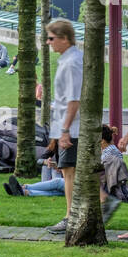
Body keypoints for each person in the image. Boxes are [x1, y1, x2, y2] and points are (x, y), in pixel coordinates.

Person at [45, 19, 82, 235]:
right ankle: (103, 201)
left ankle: (70, 216)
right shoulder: (69, 60)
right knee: (70, 171)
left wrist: (65, 130)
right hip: (67, 126)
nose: (48, 42)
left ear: (65, 38)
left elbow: (73, 99)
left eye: (51, 38)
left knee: (69, 172)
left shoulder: (72, 62)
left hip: (72, 128)